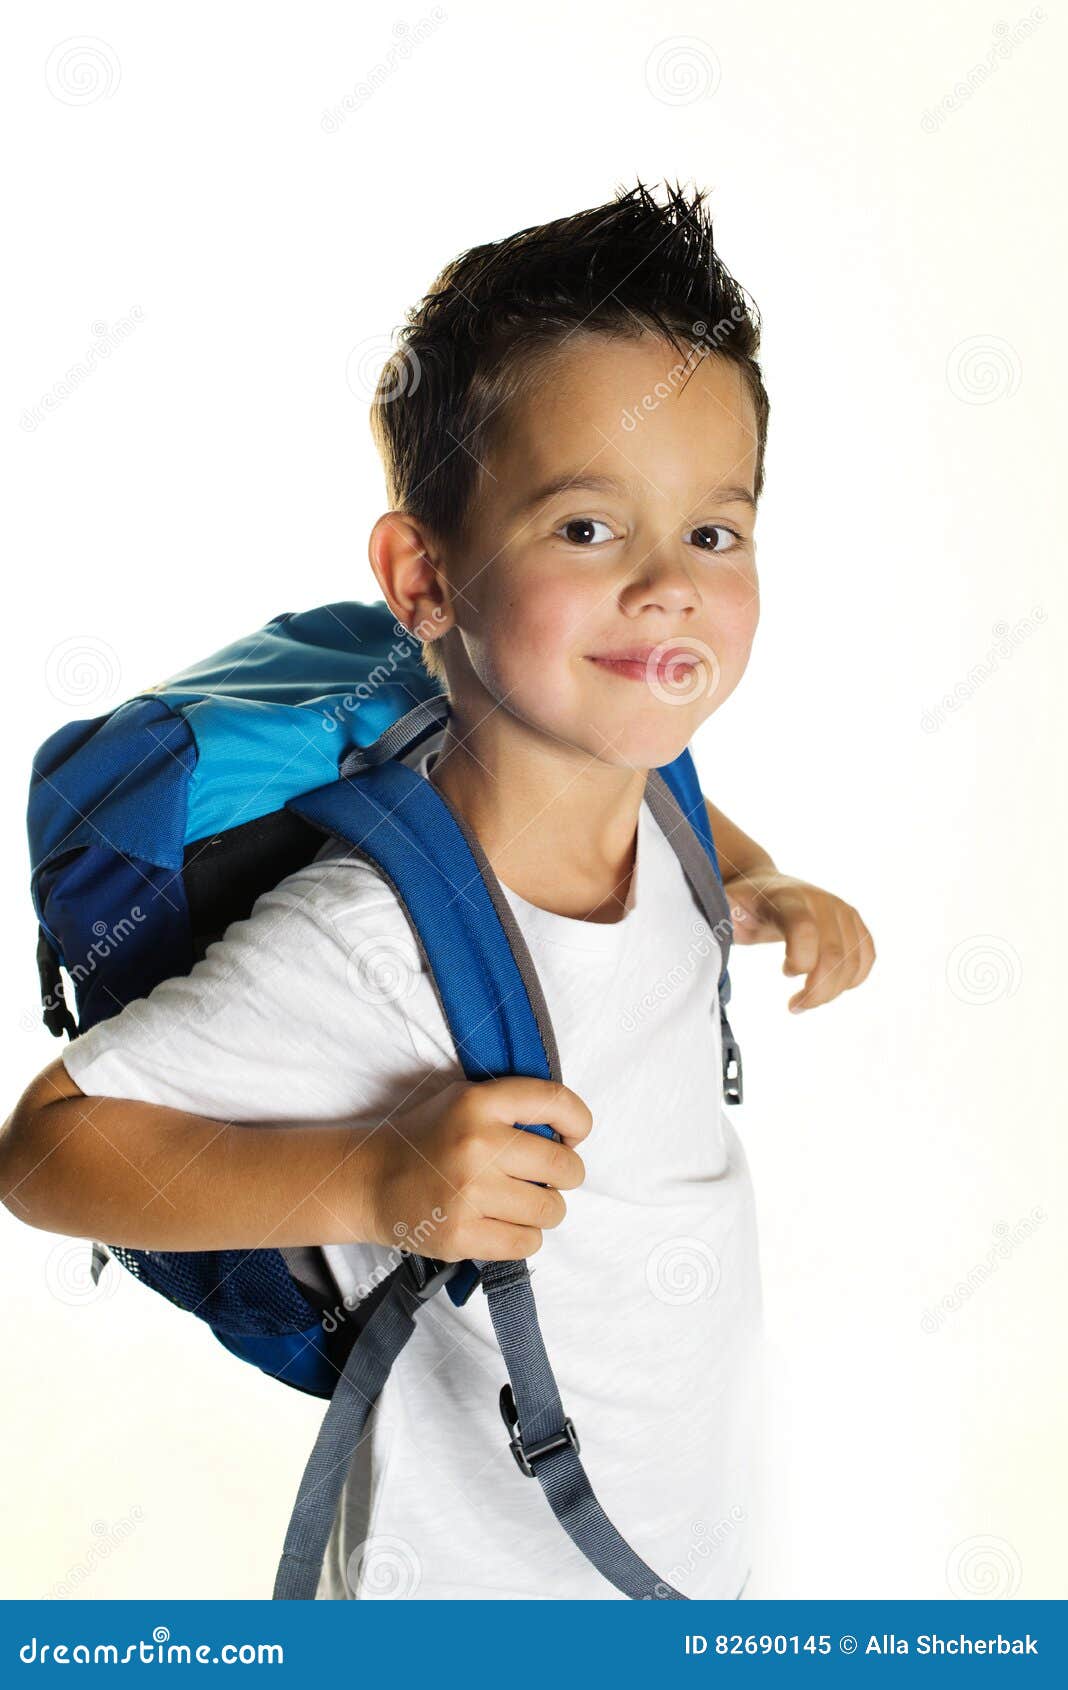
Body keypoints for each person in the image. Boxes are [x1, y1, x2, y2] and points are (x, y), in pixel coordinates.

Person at [0, 179, 874, 1600]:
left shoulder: (651, 788)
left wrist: (763, 881)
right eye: (588, 528)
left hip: (675, 1542)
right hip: (469, 1590)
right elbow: (45, 1150)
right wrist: (380, 1179)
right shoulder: (375, 939)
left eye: (714, 532)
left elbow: (676, 822)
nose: (668, 586)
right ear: (424, 575)